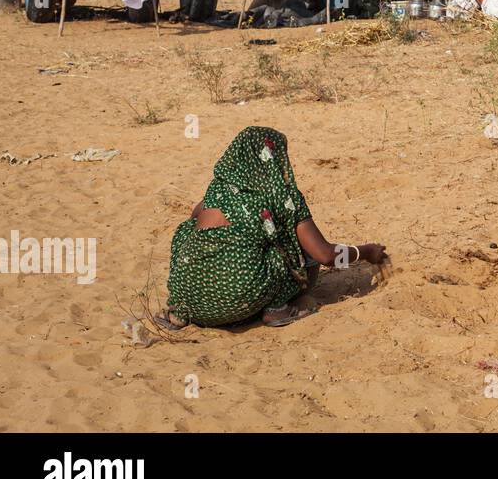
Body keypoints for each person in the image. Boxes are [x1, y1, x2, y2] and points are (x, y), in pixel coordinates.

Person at [160, 127, 387, 329]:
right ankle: (276, 308)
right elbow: (326, 256)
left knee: (190, 229)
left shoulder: (217, 191)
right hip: (238, 300)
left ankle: (177, 314)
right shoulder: (283, 197)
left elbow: (195, 219)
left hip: (191, 304)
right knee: (294, 245)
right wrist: (366, 252)